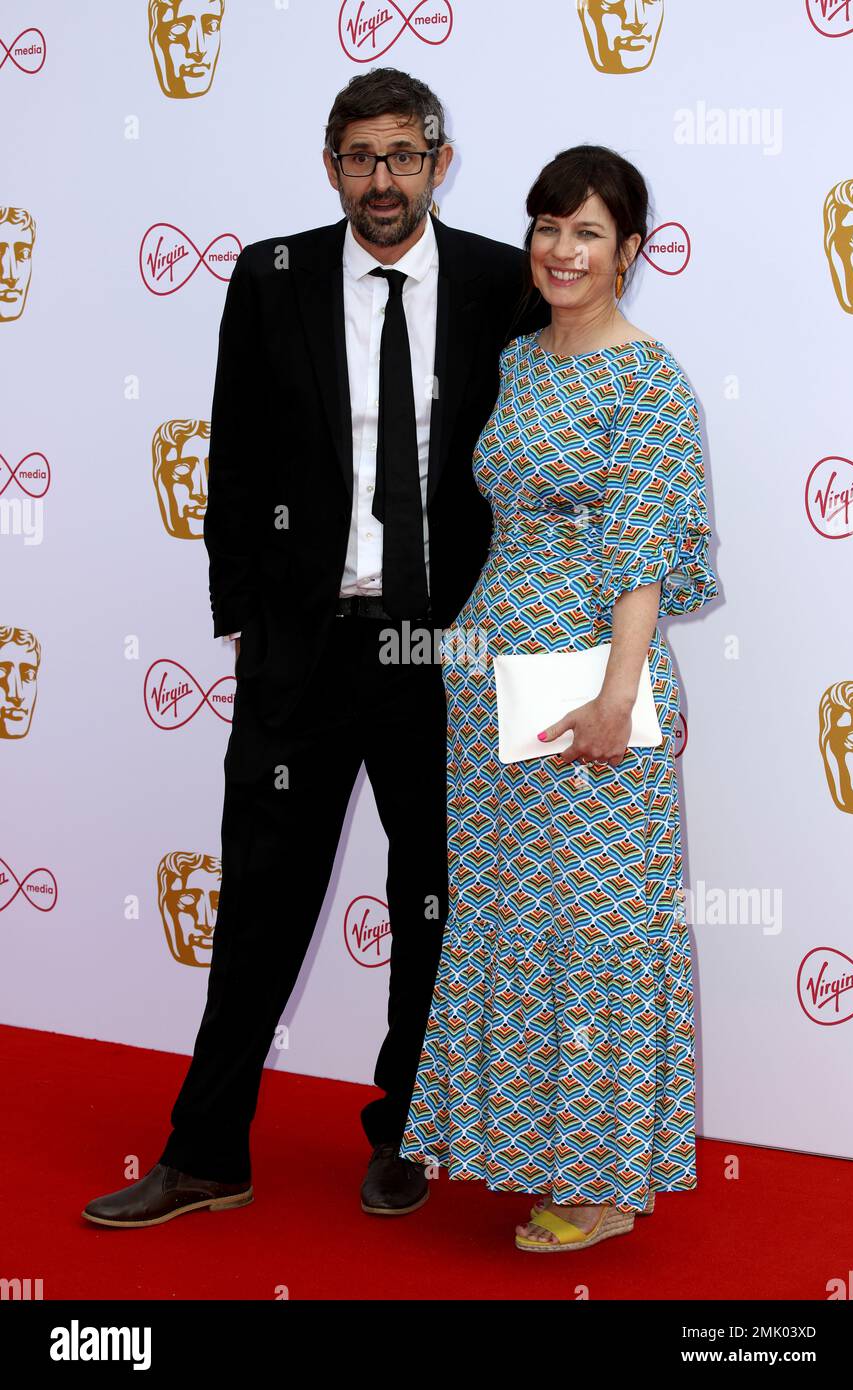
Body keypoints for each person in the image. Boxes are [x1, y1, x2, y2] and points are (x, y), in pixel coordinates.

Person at [81, 67, 548, 1228]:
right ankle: (205, 1153)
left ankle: (404, 1134)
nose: (380, 180)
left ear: (438, 161)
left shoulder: (501, 280)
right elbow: (230, 457)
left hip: (441, 653)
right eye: (358, 157)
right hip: (305, 648)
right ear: (330, 165)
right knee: (258, 906)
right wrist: (250, 619)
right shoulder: (271, 274)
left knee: (432, 897)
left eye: (401, 155)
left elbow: (541, 463)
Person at [399, 144, 720, 1252]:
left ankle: (603, 1183)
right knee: (511, 925)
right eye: (546, 226)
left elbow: (640, 556)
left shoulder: (649, 379)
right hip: (492, 688)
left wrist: (615, 699)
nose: (558, 249)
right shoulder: (522, 360)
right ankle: (535, 1148)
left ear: (628, 252)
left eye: (586, 232)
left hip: (590, 689)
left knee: (594, 933)